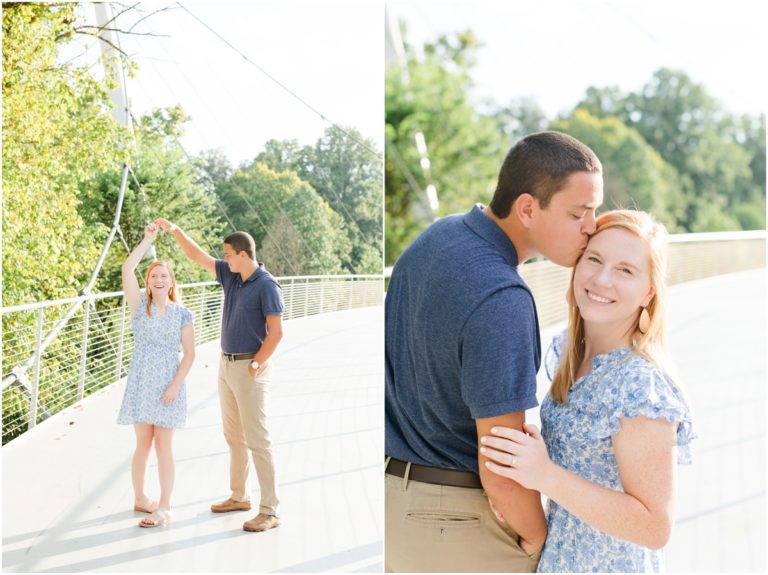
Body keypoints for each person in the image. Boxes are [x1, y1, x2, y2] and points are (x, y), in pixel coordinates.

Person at [385, 131, 604, 572]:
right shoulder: (503, 296)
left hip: (394, 505)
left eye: (595, 212)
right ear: (527, 208)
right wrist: (540, 538)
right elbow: (501, 467)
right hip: (458, 527)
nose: (592, 227)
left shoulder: (437, 238)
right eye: (578, 213)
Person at [481, 210, 696, 572]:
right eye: (594, 259)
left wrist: (546, 475)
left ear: (648, 292)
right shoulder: (572, 352)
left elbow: (654, 526)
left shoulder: (639, 385)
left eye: (625, 270)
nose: (601, 278)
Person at [154, 218, 284, 533]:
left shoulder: (266, 285)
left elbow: (277, 333)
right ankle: (239, 496)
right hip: (226, 366)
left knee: (258, 440)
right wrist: (176, 232)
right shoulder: (231, 275)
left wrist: (255, 364)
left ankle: (270, 510)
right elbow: (197, 256)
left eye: (227, 254)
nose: (223, 259)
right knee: (234, 436)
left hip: (248, 369)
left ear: (243, 254)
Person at [117, 222, 196, 528]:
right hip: (141, 383)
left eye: (165, 276)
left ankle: (165, 506)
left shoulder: (182, 313)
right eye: (154, 276)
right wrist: (147, 240)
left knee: (164, 445)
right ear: (148, 283)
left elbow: (190, 355)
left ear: (172, 282)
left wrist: (175, 387)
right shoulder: (140, 306)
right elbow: (127, 269)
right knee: (143, 445)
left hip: (168, 386)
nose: (159, 279)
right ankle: (140, 497)